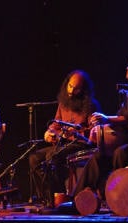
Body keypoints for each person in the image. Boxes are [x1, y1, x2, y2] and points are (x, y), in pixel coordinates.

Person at [71, 55, 128, 201]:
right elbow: (120, 119)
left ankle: (119, 197)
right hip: (127, 139)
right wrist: (99, 126)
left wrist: (106, 118)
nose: (127, 67)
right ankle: (76, 199)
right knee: (98, 156)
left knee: (120, 153)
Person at [28, 70, 101, 207]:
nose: (71, 91)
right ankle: (46, 197)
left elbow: (94, 132)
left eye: (76, 88)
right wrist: (49, 133)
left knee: (52, 155)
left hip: (80, 144)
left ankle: (60, 197)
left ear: (83, 90)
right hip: (63, 143)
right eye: (70, 86)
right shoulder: (63, 103)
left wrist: (75, 132)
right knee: (34, 158)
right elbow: (56, 124)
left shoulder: (91, 105)